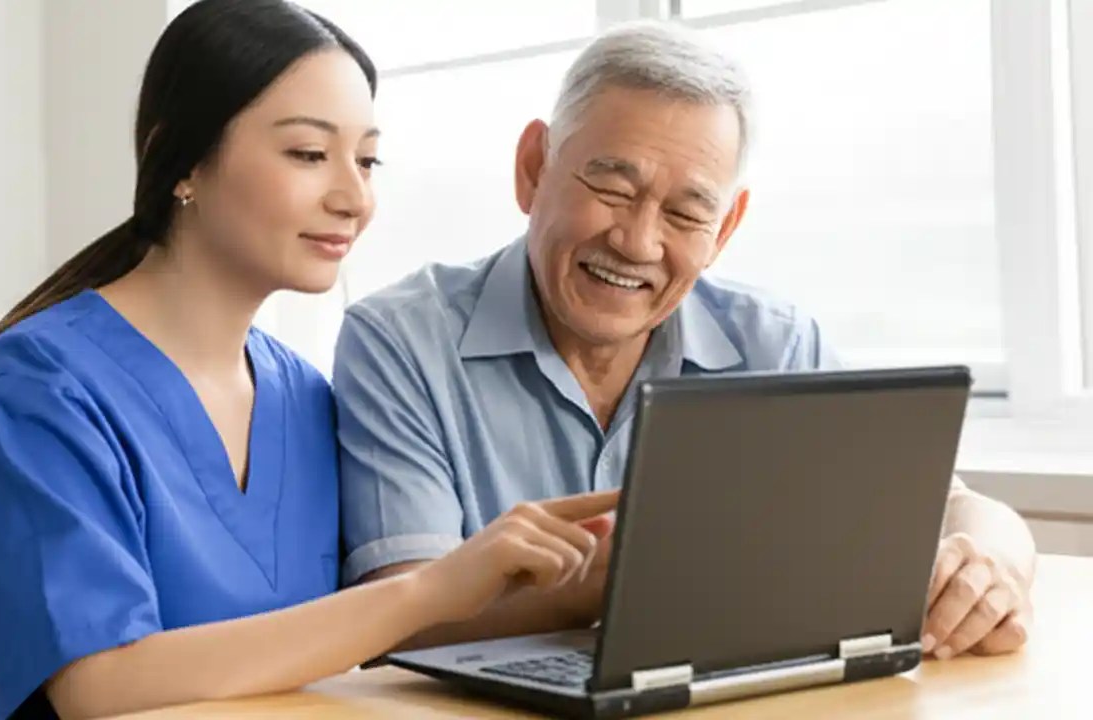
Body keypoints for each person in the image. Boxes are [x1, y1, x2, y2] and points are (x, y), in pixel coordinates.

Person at [0, 2, 617, 718]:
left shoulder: (301, 395)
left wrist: (587, 575)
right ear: (185, 161)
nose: (355, 197)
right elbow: (99, 685)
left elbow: (360, 633)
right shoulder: (37, 388)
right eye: (309, 155)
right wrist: (425, 589)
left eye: (368, 159)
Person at [334, 20, 1036, 663]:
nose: (638, 241)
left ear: (725, 228)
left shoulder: (778, 344)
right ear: (533, 168)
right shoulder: (401, 340)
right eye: (611, 188)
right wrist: (627, 580)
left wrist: (990, 562)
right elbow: (397, 610)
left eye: (685, 212)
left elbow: (951, 509)